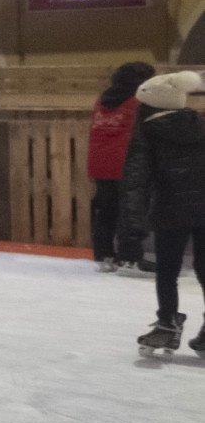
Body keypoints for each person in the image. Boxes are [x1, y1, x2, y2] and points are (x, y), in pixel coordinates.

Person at [121, 70, 205, 356]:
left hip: (170, 209)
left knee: (167, 271)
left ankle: (168, 323)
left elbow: (136, 178)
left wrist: (133, 221)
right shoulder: (199, 123)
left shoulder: (146, 132)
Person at [88, 61, 157, 273]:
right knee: (131, 211)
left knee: (106, 212)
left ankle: (104, 256)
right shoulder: (139, 101)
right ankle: (130, 258)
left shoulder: (103, 100)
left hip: (100, 162)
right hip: (126, 163)